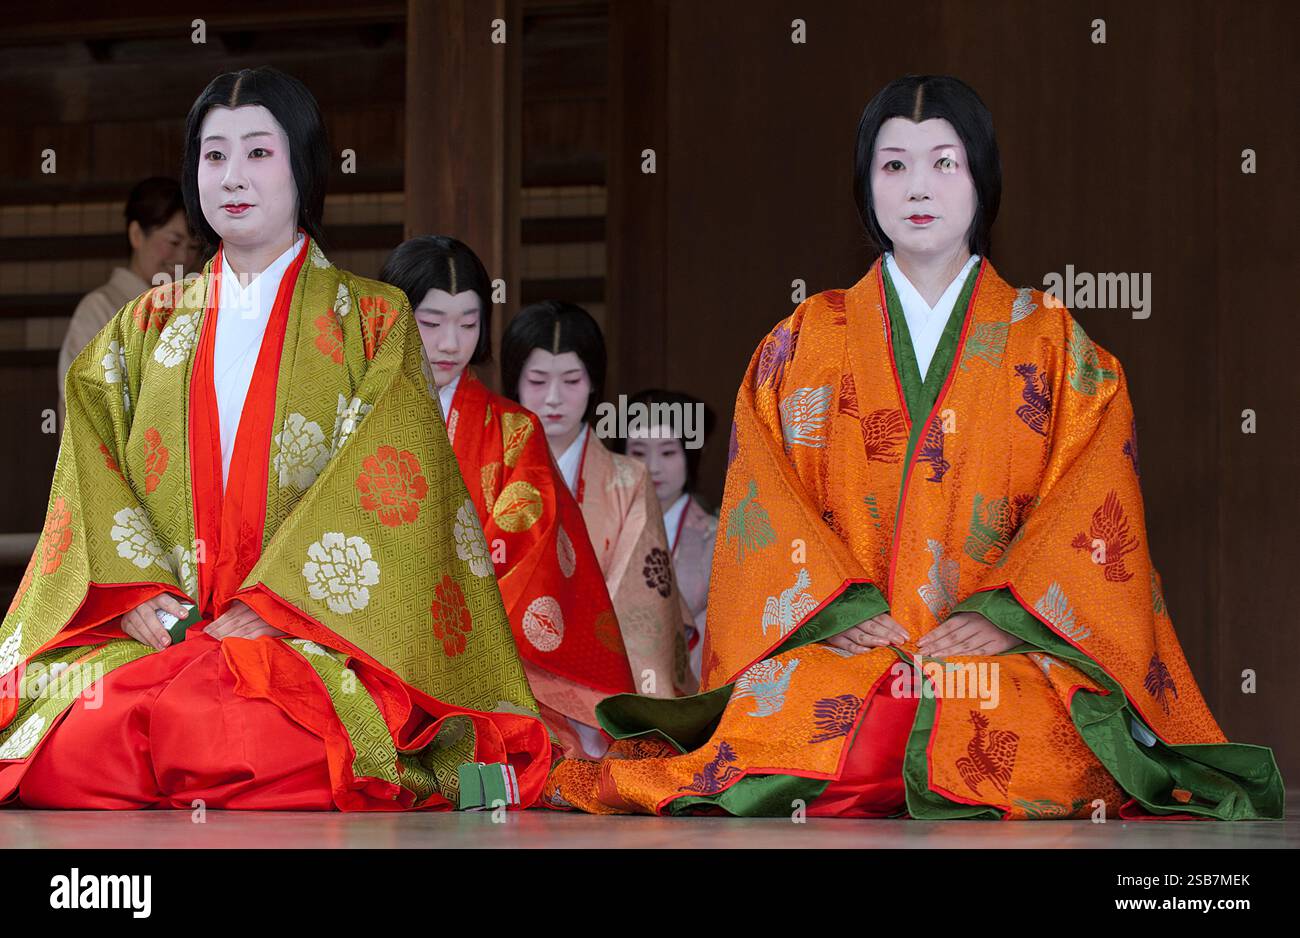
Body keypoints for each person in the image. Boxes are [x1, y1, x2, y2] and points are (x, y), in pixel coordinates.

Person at [542, 74, 1284, 819]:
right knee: (829, 727)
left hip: (1005, 654)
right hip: (842, 650)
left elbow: (1093, 505)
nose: (917, 186)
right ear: (867, 185)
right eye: (893, 164)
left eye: (944, 162)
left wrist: (1004, 617)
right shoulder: (804, 340)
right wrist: (832, 611)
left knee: (1020, 737)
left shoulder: (1053, 342)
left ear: (980, 179)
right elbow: (764, 502)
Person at [0, 66, 549, 811]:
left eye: (259, 152)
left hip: (307, 641)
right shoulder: (144, 326)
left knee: (246, 736)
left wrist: (281, 605)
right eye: (214, 154)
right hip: (163, 632)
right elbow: (89, 468)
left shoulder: (374, 320)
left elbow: (392, 497)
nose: (233, 176)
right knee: (82, 739)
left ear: (304, 166)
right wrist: (134, 593)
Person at [379, 235, 635, 758]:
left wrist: (450, 625)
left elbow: (533, 554)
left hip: (484, 652)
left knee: (523, 745)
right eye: (431, 323)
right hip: (374, 641)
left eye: (469, 323)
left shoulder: (515, 430)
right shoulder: (355, 418)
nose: (452, 343)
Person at [501, 303, 695, 726]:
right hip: (509, 680)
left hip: (601, 687)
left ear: (594, 384)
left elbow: (639, 603)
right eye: (537, 380)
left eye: (571, 380)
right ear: (514, 381)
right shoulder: (488, 469)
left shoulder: (628, 480)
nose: (554, 398)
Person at [57, 177, 199, 430]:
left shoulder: (188, 310)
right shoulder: (100, 308)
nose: (183, 258)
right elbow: (80, 404)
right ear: (136, 235)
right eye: (174, 242)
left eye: (193, 247)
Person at [621, 388, 718, 684]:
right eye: (638, 452)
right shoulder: (600, 524)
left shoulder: (717, 537)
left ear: (691, 455)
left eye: (667, 452)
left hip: (685, 688)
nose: (652, 466)